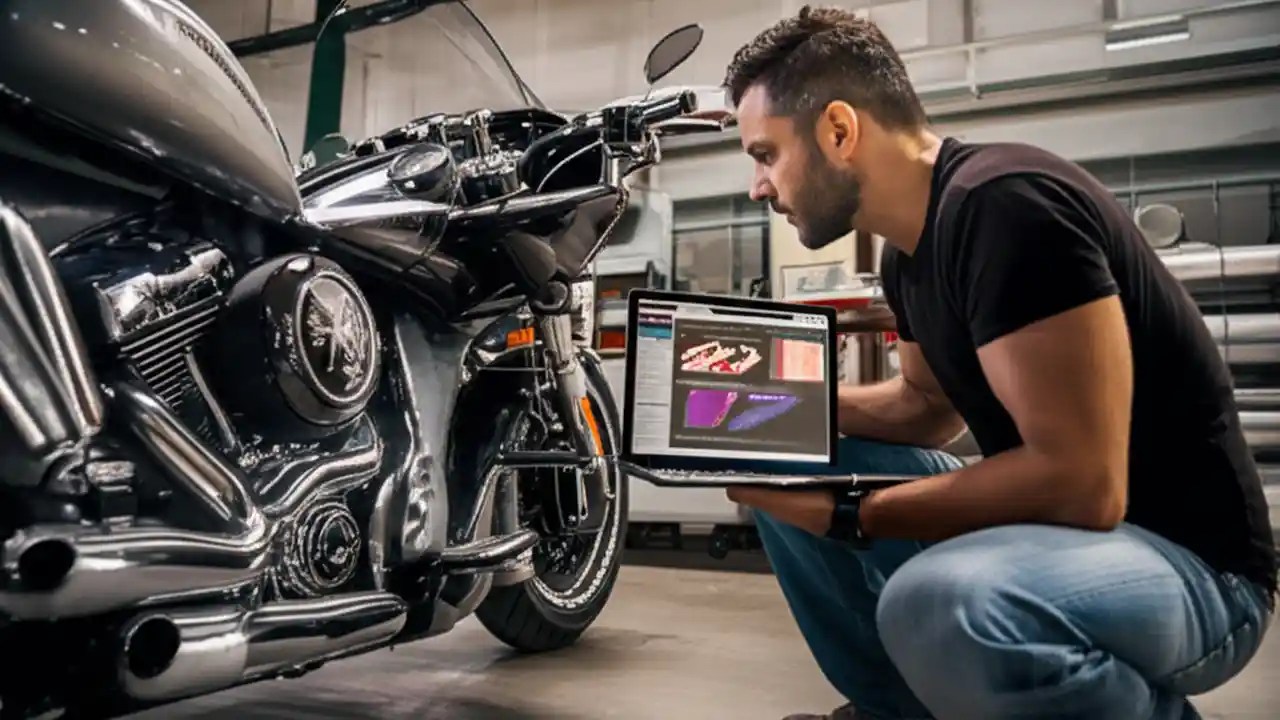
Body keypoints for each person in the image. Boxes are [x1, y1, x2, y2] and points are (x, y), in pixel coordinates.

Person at [720, 6, 1277, 720]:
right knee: (785, 449)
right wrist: (764, 408)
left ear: (838, 131)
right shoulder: (907, 257)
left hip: (1195, 568)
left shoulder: (1008, 208)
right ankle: (898, 708)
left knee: (945, 601)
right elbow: (925, 409)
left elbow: (1084, 484)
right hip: (1069, 540)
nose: (757, 187)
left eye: (765, 154)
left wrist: (855, 513)